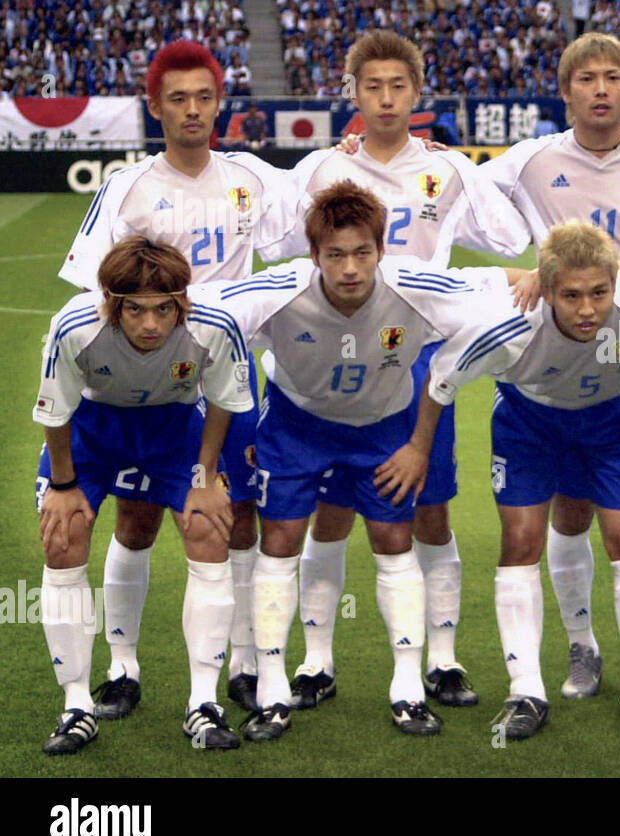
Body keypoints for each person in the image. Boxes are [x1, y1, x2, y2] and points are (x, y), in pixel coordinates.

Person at [213, 181, 523, 741]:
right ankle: (274, 689)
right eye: (335, 255)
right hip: (296, 424)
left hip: (383, 426)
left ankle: (406, 688)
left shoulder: (416, 287)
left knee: (393, 540)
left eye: (362, 253)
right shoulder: (277, 290)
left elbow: (506, 286)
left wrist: (419, 445)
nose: (350, 268)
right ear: (314, 256)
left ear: (382, 250)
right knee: (279, 540)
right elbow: (201, 316)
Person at [423, 223, 620, 739]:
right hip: (529, 424)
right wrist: (418, 450)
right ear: (546, 289)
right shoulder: (505, 317)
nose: (587, 309)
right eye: (570, 295)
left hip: (614, 421)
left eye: (599, 292)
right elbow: (441, 379)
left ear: (616, 283)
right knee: (520, 542)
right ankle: (528, 688)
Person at [287, 29, 530, 712]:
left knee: (429, 510)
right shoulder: (321, 172)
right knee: (330, 513)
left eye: (399, 86)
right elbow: (278, 240)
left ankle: (443, 661)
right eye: (373, 86)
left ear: (417, 93)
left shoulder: (448, 171)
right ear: (354, 93)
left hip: (420, 356)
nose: (386, 98)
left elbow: (511, 236)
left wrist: (476, 175)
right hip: (338, 354)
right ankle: (316, 662)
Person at [57, 40, 299, 722]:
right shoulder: (129, 187)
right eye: (178, 99)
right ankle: (123, 665)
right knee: (136, 520)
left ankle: (246, 664)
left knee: (238, 515)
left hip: (232, 374)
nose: (193, 111)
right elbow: (87, 293)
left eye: (204, 97)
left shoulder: (250, 176)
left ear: (220, 103)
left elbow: (304, 232)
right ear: (155, 106)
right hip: (151, 379)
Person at [484, 32, 620, 701]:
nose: (600, 89)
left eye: (613, 77)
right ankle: (583, 645)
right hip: (560, 343)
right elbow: (460, 198)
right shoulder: (527, 161)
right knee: (570, 511)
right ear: (566, 89)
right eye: (587, 79)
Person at [35, 238, 253, 754]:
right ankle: (76, 705)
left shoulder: (215, 325)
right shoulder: (75, 327)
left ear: (182, 300)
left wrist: (204, 477)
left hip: (175, 427)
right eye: (135, 309)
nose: (151, 324)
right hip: (94, 427)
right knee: (62, 537)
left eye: (164, 309)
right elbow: (55, 410)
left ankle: (203, 703)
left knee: (207, 528)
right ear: (111, 301)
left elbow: (223, 401)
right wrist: (64, 487)